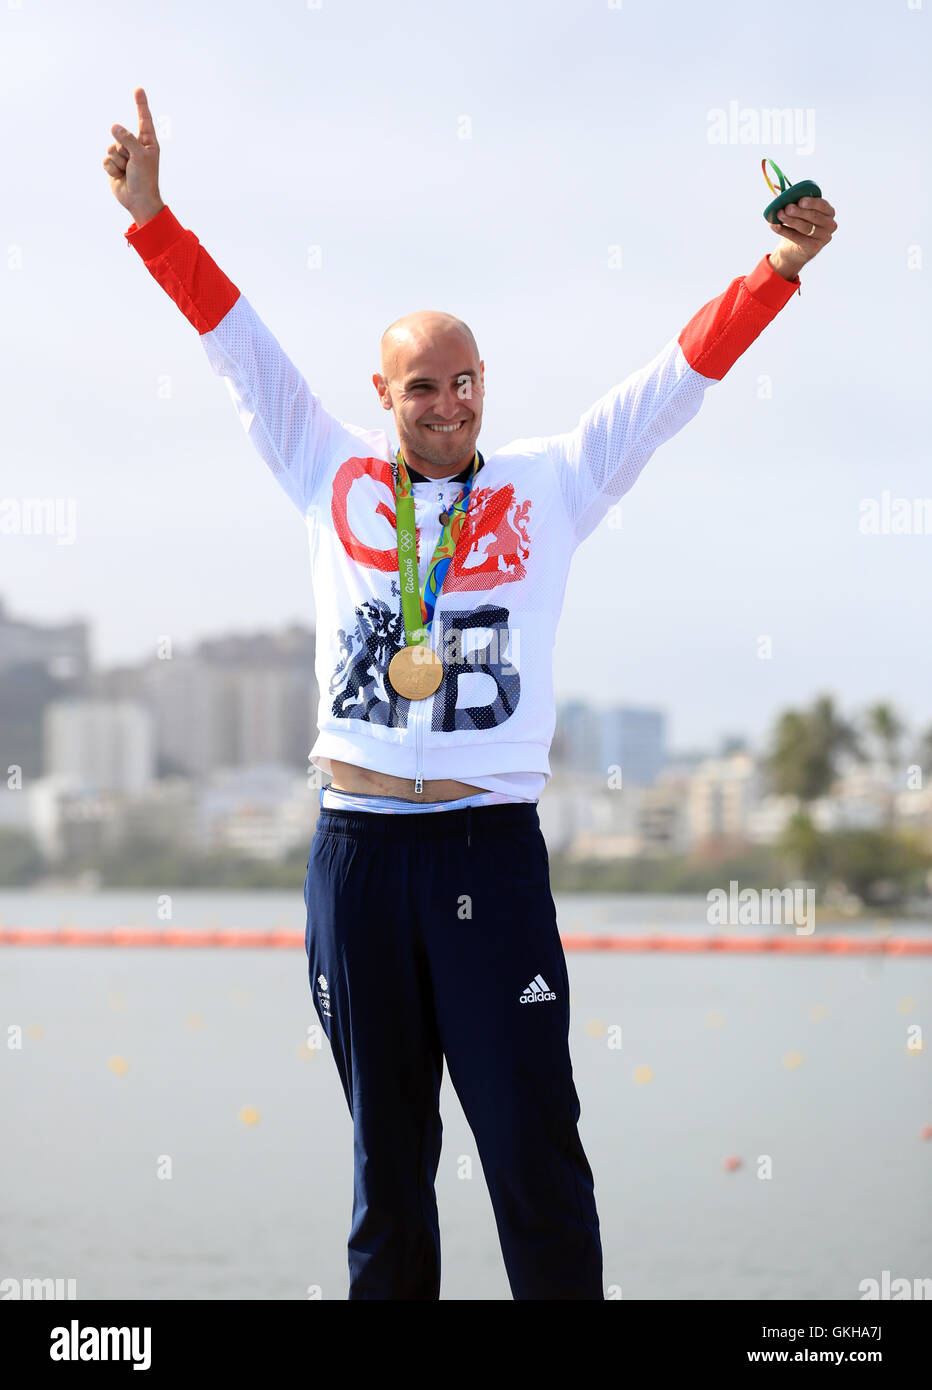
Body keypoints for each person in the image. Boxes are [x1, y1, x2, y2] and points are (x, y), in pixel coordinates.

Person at [104, 87, 837, 1301]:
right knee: (385, 1169)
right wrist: (150, 215)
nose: (447, 406)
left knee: (533, 1156)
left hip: (484, 855)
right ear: (381, 395)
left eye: (465, 383)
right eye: (421, 389)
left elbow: (677, 378)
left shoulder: (554, 484)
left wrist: (773, 266)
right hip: (356, 856)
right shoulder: (322, 463)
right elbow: (231, 338)